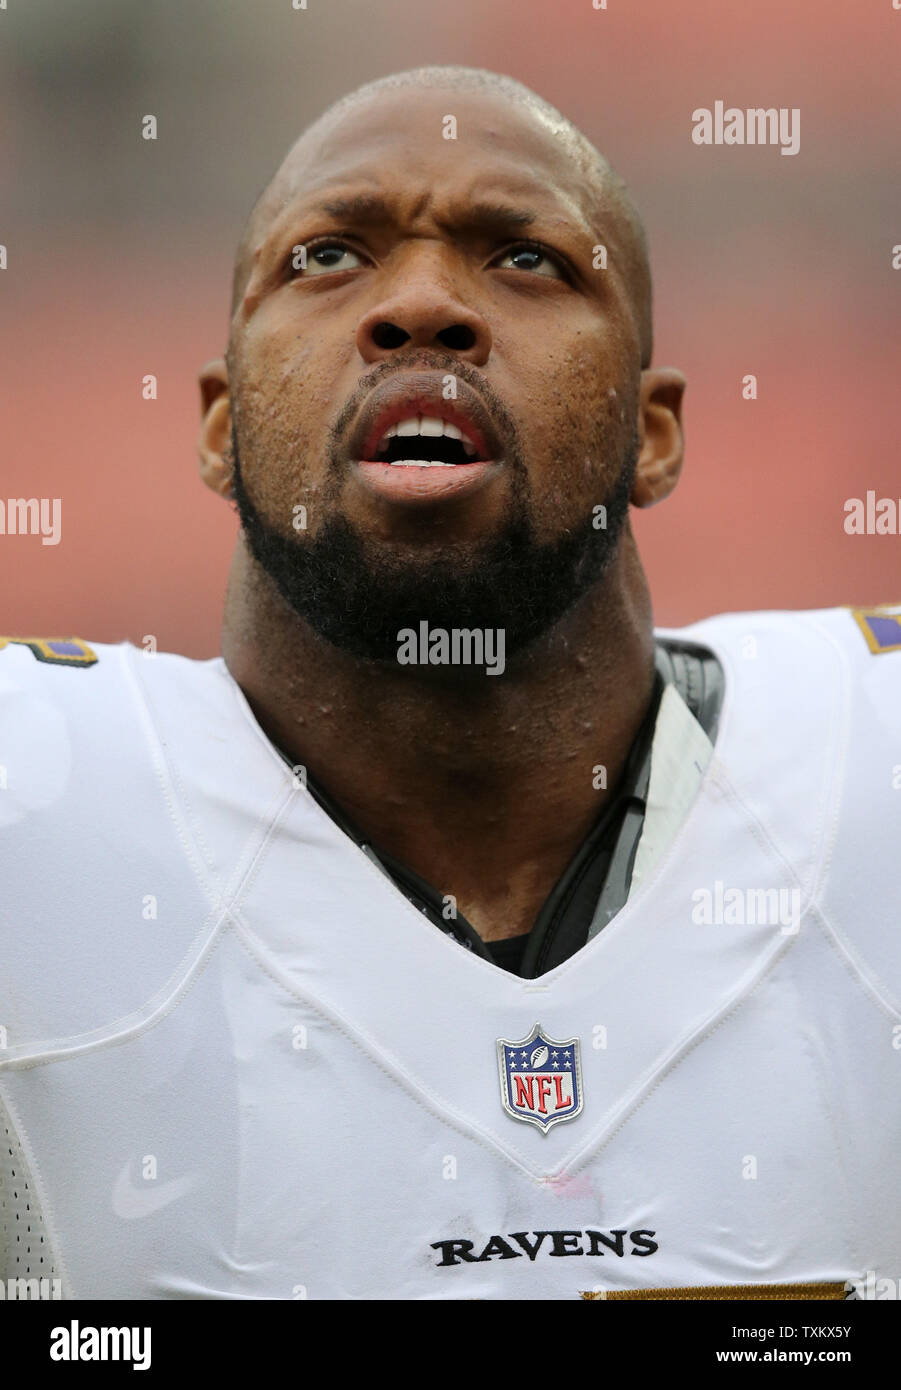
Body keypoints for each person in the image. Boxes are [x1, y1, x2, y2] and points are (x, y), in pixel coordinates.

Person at [1, 67, 898, 1301]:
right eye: (326, 256)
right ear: (217, 425)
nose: (421, 307)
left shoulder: (874, 766)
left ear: (655, 432)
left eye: (524, 260)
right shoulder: (33, 809)